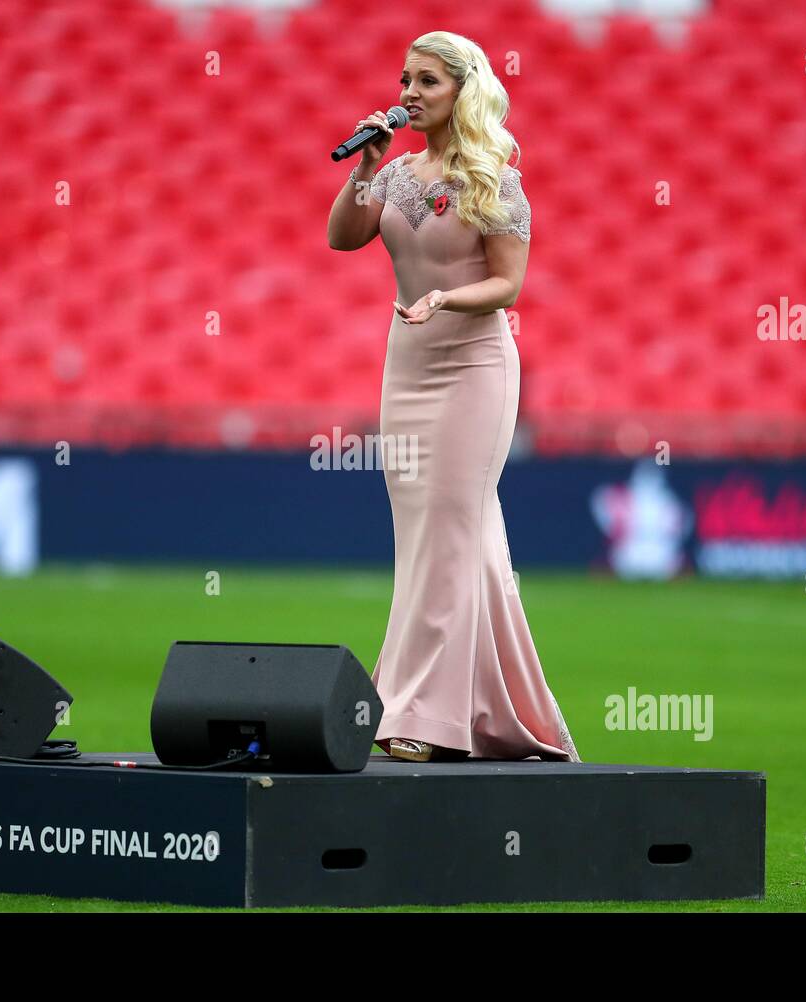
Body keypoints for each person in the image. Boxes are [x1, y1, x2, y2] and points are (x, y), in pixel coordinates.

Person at [326, 31, 580, 763]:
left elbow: (508, 285)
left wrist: (446, 299)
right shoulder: (397, 172)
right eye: (405, 78)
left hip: (474, 365)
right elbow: (343, 237)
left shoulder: (495, 178)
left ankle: (417, 715)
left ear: (462, 90)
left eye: (427, 81)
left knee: (447, 530)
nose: (409, 93)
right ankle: (505, 715)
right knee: (445, 539)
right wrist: (365, 170)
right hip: (406, 367)